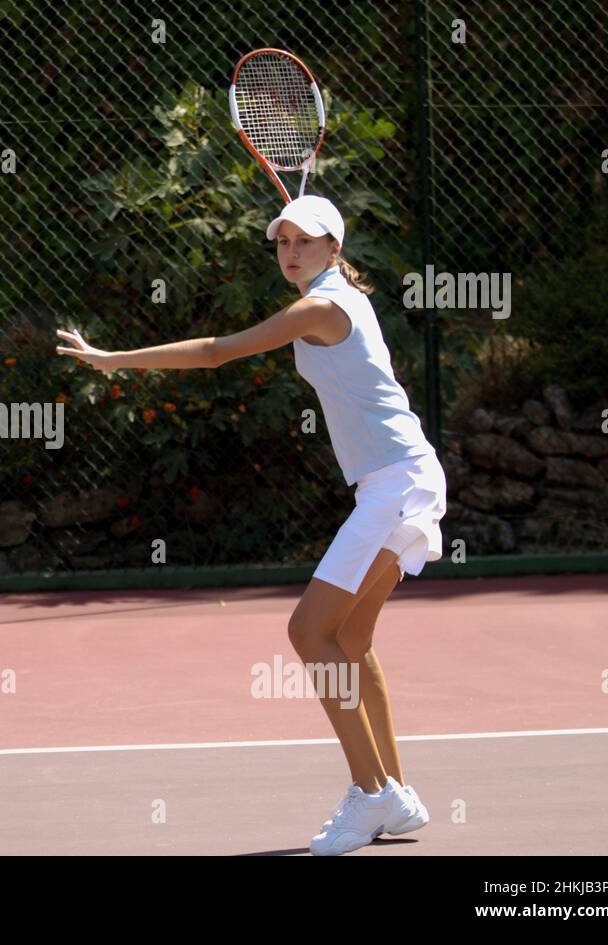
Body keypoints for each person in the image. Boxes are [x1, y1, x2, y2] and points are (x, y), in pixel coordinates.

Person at [55, 195, 445, 856]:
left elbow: (216, 352)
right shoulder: (343, 297)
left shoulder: (321, 306)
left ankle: (370, 789)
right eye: (283, 240)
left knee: (307, 630)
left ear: (333, 248)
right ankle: (398, 795)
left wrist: (115, 359)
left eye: (306, 241)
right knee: (349, 637)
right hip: (408, 476)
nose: (291, 251)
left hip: (396, 484)